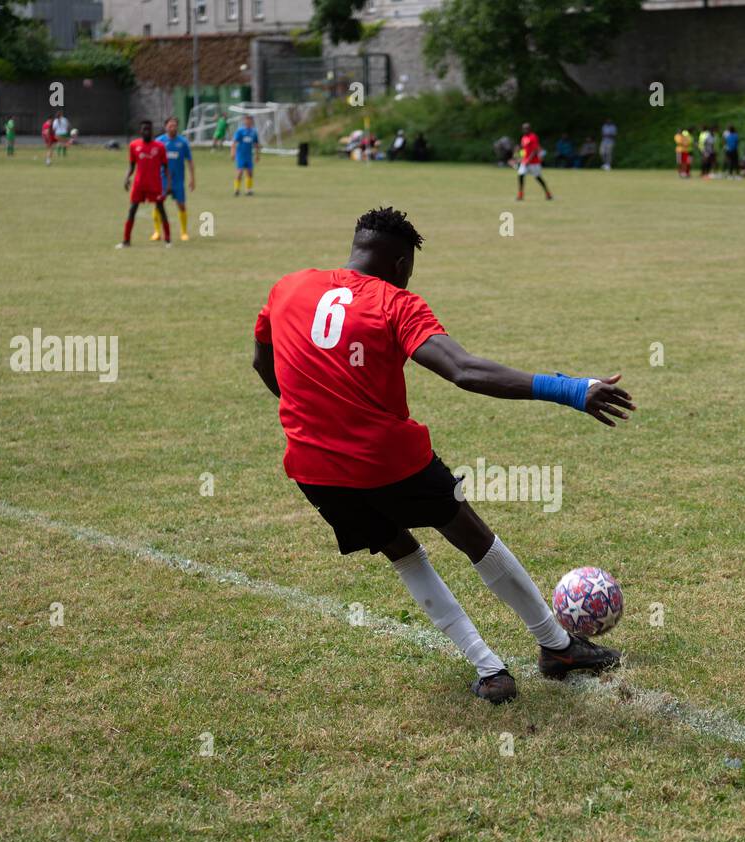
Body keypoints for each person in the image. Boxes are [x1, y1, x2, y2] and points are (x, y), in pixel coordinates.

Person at [250, 206, 633, 704]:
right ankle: (556, 646)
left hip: (315, 469)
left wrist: (310, 409)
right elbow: (464, 371)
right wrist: (569, 389)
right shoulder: (395, 302)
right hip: (389, 462)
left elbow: (262, 357)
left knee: (402, 552)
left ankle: (490, 670)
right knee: (472, 535)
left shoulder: (289, 287)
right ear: (402, 264)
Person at [116, 119, 170, 248]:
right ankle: (126, 240)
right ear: (140, 131)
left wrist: (168, 185)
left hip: (154, 185)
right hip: (139, 185)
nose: (146, 131)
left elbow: (166, 168)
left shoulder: (159, 147)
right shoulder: (134, 145)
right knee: (132, 210)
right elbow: (131, 166)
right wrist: (126, 178)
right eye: (144, 129)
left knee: (161, 209)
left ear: (152, 131)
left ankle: (168, 240)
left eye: (148, 129)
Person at [153, 115, 195, 242]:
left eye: (175, 125)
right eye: (170, 125)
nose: (173, 128)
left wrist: (192, 179)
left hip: (178, 180)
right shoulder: (159, 141)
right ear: (165, 127)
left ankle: (184, 232)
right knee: (158, 205)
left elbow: (190, 161)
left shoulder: (183, 142)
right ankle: (157, 232)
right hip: (162, 179)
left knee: (181, 205)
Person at [516, 122, 552, 200]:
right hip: (525, 162)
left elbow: (535, 149)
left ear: (529, 129)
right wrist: (521, 157)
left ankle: (548, 193)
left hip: (534, 162)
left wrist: (529, 159)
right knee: (520, 175)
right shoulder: (523, 138)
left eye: (526, 128)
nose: (524, 130)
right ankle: (520, 194)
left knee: (538, 177)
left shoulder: (533, 137)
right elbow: (524, 150)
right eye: (523, 128)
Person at [232, 114, 260, 195]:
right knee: (240, 172)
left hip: (249, 156)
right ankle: (236, 189)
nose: (248, 121)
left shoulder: (253, 132)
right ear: (244, 121)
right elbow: (234, 143)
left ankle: (249, 190)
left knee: (250, 172)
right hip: (241, 155)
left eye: (250, 120)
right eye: (247, 120)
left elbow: (256, 144)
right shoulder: (240, 131)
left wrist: (257, 155)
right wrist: (233, 153)